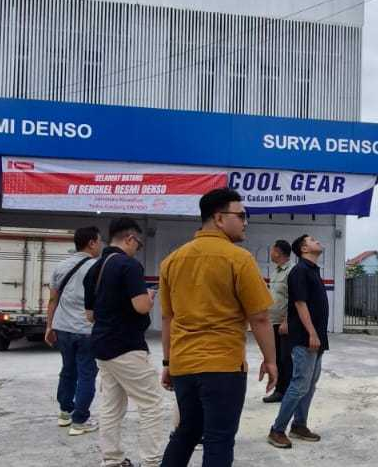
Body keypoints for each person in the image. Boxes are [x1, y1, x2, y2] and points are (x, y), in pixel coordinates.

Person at [160, 188, 277, 467]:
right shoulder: (239, 259)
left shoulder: (172, 261)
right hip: (222, 367)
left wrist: (168, 362)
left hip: (184, 366)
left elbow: (168, 318)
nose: (246, 221)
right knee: (219, 439)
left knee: (187, 431)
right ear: (219, 218)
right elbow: (259, 317)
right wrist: (271, 360)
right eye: (241, 215)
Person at [84, 217, 168, 467]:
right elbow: (141, 306)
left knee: (112, 405)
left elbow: (90, 315)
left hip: (102, 345)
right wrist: (150, 297)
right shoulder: (128, 266)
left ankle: (112, 459)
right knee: (152, 402)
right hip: (126, 346)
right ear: (130, 239)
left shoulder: (94, 268)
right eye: (139, 244)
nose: (138, 249)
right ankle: (151, 461)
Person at [267, 234, 329, 449]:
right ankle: (277, 429)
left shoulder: (312, 270)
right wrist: (311, 333)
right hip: (305, 338)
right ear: (304, 248)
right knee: (299, 384)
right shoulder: (300, 271)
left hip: (317, 339)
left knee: (309, 385)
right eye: (313, 240)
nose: (317, 241)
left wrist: (318, 336)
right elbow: (300, 305)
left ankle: (299, 425)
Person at [45, 226, 103, 435]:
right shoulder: (98, 268)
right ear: (91, 243)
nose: (101, 244)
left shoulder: (61, 266)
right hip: (86, 329)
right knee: (87, 373)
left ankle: (64, 413)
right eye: (99, 241)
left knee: (68, 370)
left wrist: (49, 326)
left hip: (63, 328)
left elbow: (53, 299)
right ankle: (79, 421)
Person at [262, 239, 293, 404]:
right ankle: (280, 389)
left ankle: (283, 391)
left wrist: (287, 321)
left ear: (278, 252)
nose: (270, 253)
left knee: (284, 359)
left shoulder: (291, 271)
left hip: (283, 324)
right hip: (272, 321)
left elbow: (294, 299)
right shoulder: (275, 272)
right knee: (276, 358)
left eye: (272, 250)